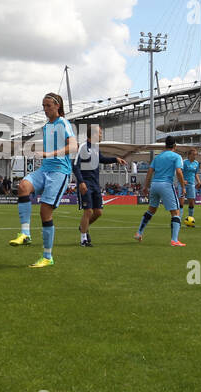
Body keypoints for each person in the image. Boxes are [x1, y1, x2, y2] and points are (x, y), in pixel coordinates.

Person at [9, 93, 76, 268]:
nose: (45, 109)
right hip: (45, 169)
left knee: (45, 212)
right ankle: (25, 234)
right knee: (23, 186)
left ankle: (47, 256)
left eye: (48, 105)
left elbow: (73, 146)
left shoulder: (63, 123)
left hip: (59, 172)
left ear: (57, 106)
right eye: (43, 106)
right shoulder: (47, 127)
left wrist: (49, 154)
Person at [73, 124, 126, 246]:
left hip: (95, 184)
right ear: (94, 134)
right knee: (88, 211)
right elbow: (75, 165)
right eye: (100, 133)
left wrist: (115, 159)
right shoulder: (83, 147)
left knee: (98, 212)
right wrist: (81, 182)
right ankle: (83, 239)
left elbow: (102, 159)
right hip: (86, 184)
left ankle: (83, 227)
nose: (101, 135)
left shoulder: (96, 148)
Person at [135, 136, 187, 245]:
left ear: (165, 145)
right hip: (166, 185)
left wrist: (145, 186)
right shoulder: (177, 156)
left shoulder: (158, 157)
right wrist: (183, 186)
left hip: (154, 185)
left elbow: (149, 171)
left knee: (151, 210)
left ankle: (139, 233)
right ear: (175, 146)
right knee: (176, 212)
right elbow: (178, 171)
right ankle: (174, 240)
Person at [181, 146, 201, 227]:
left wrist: (199, 181)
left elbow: (195, 173)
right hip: (182, 184)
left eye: (196, 155)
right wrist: (183, 180)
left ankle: (190, 221)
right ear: (189, 155)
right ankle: (178, 222)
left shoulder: (196, 163)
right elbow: (179, 172)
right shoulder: (184, 162)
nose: (195, 156)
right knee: (181, 202)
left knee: (191, 203)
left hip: (191, 184)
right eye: (194, 154)